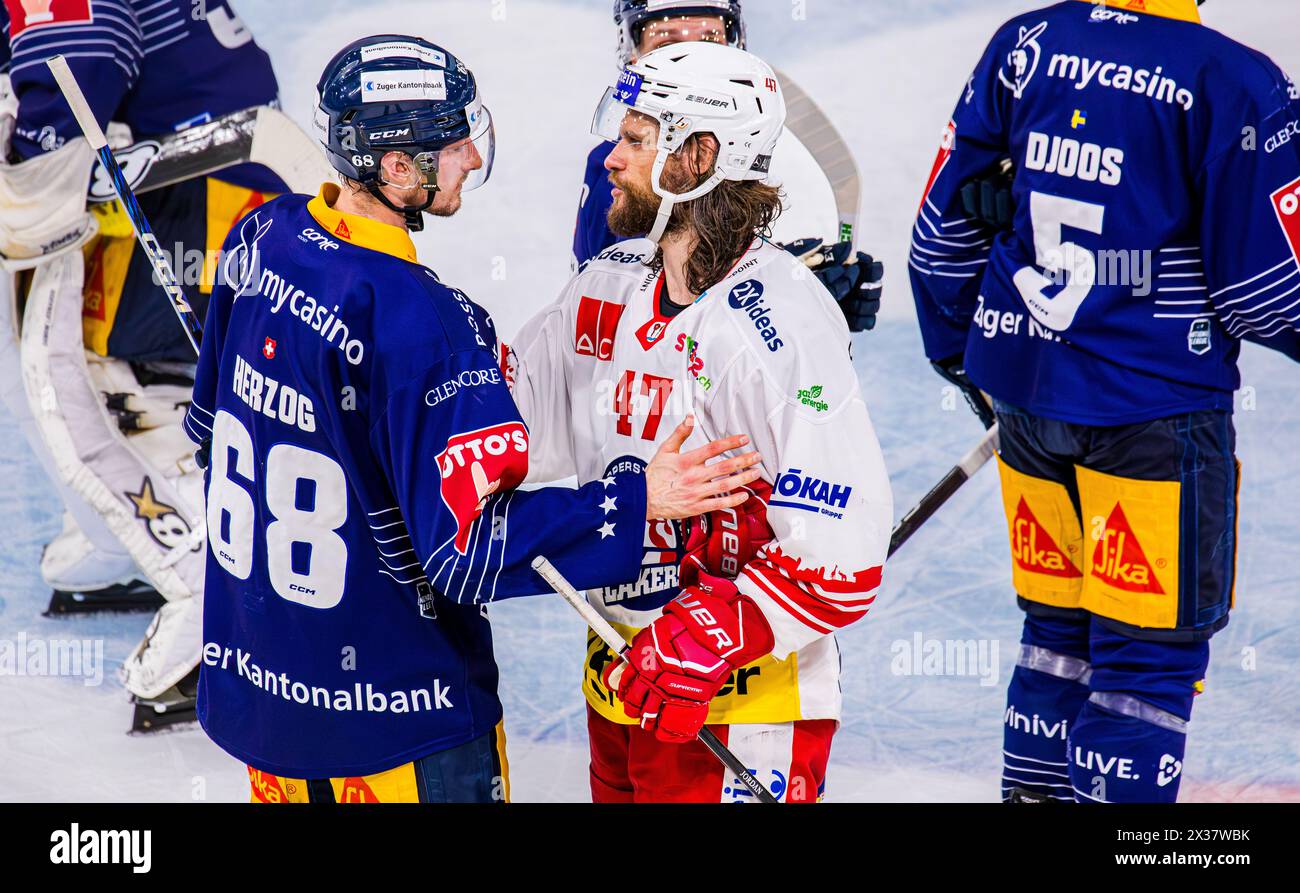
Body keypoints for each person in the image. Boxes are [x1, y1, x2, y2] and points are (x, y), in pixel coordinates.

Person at [183, 34, 760, 804]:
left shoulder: (261, 236)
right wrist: (636, 499)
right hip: (398, 720)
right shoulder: (426, 323)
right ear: (395, 167)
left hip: (264, 701)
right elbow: (467, 551)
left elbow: (205, 432)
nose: (473, 161)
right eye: (452, 143)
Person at [908, 0, 1300, 802]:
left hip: (1026, 399)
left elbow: (940, 235)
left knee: (1057, 637)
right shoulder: (1233, 79)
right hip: (1152, 413)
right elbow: (1264, 291)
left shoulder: (1027, 43)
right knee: (1145, 665)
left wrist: (964, 354)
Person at [508, 41, 893, 802]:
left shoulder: (777, 322)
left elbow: (845, 553)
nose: (611, 159)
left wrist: (725, 621)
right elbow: (512, 427)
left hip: (744, 705)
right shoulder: (605, 286)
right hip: (621, 676)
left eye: (636, 138)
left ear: (700, 154)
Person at [0, 0, 302, 727]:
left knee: (105, 387)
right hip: (210, 175)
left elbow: (81, 51)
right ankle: (116, 536)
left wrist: (27, 178)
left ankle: (210, 582)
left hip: (190, 191)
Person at [574, 0, 883, 334]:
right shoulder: (621, 170)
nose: (691, 59)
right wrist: (768, 295)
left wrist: (818, 301)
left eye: (708, 40)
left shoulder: (760, 144)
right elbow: (609, 334)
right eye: (666, 43)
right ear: (632, 55)